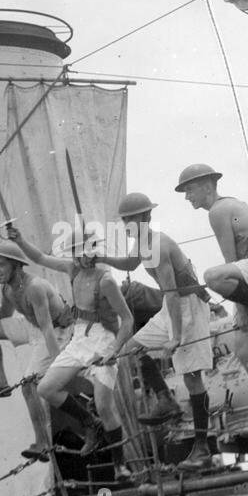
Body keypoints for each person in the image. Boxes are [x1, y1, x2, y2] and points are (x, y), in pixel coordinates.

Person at [8, 221, 135, 482]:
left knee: (104, 405)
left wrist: (113, 350)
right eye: (80, 252)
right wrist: (19, 240)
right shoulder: (72, 269)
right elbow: (40, 258)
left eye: (89, 250)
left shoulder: (106, 281)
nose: (85, 257)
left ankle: (120, 465)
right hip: (79, 337)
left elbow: (128, 320)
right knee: (46, 388)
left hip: (103, 339)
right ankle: (90, 423)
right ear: (74, 253)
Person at [99, 191, 217, 470]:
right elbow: (130, 264)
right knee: (131, 348)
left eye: (131, 219)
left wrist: (176, 337)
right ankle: (165, 399)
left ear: (146, 217)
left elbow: (173, 292)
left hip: (188, 306)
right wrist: (100, 258)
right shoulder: (143, 243)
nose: (127, 225)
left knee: (192, 378)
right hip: (171, 306)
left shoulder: (158, 246)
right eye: (124, 220)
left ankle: (202, 449)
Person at [176, 164, 248, 440]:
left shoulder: (217, 211)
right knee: (245, 353)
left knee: (212, 276)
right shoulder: (234, 205)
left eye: (190, 190)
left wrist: (243, 310)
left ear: (207, 186)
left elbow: (231, 262)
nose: (187, 197)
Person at [0, 240, 73, 460]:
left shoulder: (34, 287)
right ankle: (1, 383)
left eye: (1, 265)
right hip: (34, 327)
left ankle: (42, 443)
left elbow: (47, 328)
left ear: (16, 266)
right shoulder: (8, 288)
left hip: (57, 331)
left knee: (28, 385)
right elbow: (4, 314)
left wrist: (59, 365)